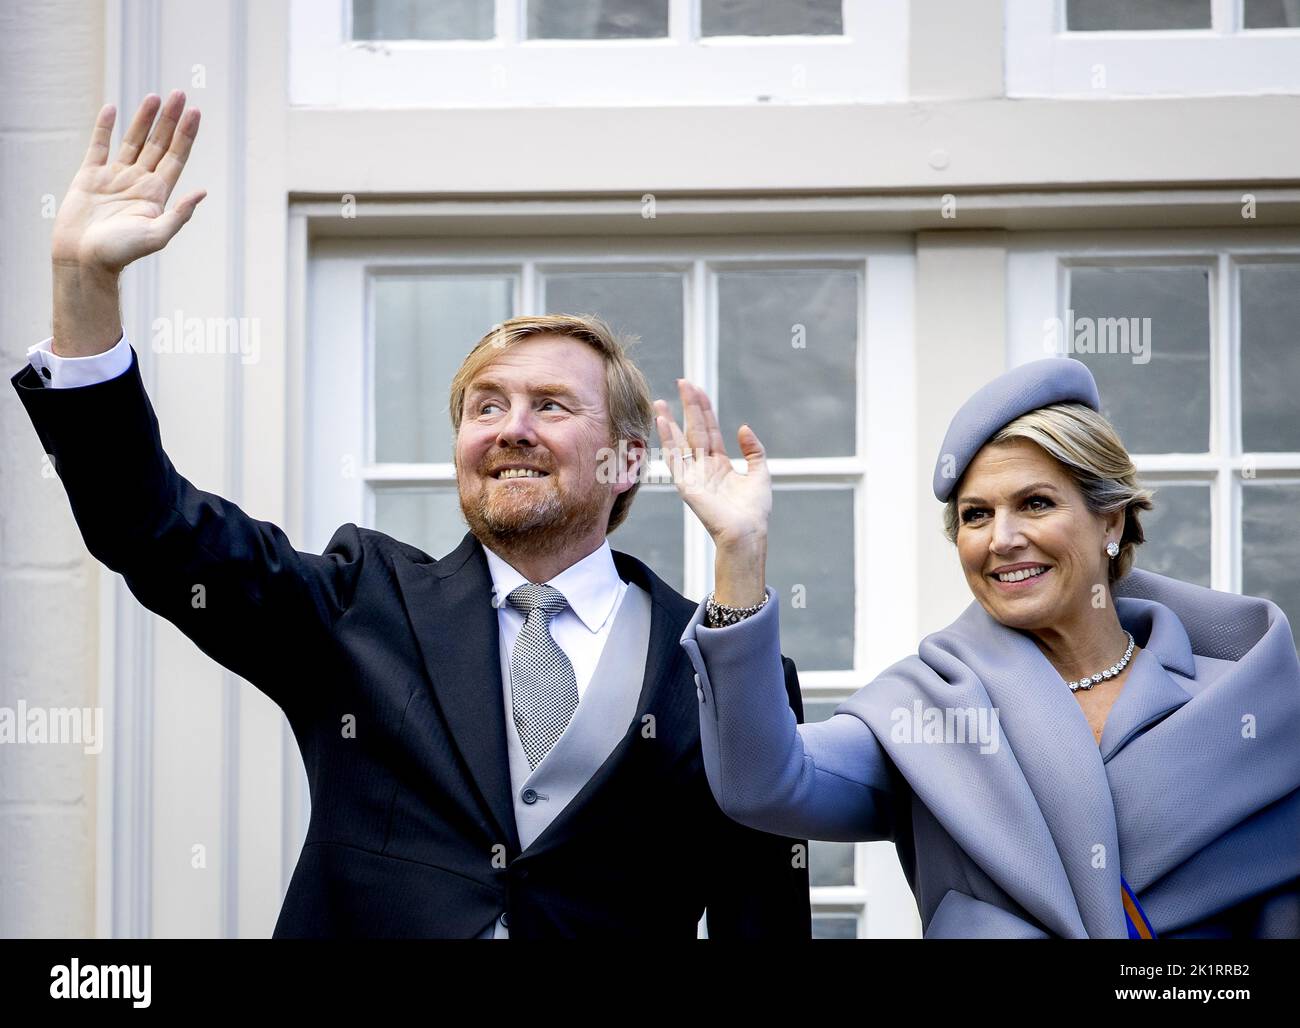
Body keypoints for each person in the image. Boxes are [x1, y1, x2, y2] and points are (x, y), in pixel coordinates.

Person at [11, 90, 810, 938]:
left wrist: (743, 552)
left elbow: (764, 920)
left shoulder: (722, 671)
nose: (512, 430)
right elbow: (150, 526)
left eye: (550, 405)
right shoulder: (359, 607)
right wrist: (84, 284)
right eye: (485, 407)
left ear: (627, 461)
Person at [655, 361, 1300, 938]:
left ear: (1110, 519)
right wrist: (740, 553)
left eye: (1036, 503)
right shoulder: (928, 707)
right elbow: (764, 784)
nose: (1003, 539)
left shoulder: (1243, 702)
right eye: (976, 515)